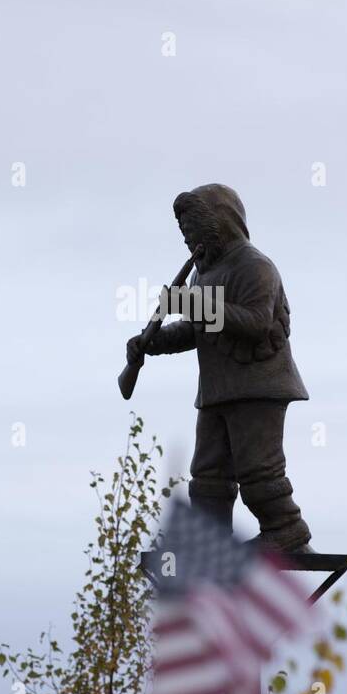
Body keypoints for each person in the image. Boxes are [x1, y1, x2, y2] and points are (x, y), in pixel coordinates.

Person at [127, 184, 312, 551]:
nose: (187, 240)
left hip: (258, 388)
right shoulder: (201, 274)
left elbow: (257, 321)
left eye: (192, 230)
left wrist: (195, 305)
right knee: (208, 474)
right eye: (184, 233)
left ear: (219, 224)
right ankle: (210, 541)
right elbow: (199, 331)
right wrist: (154, 342)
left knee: (258, 471)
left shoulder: (255, 267)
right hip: (216, 391)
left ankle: (286, 530)